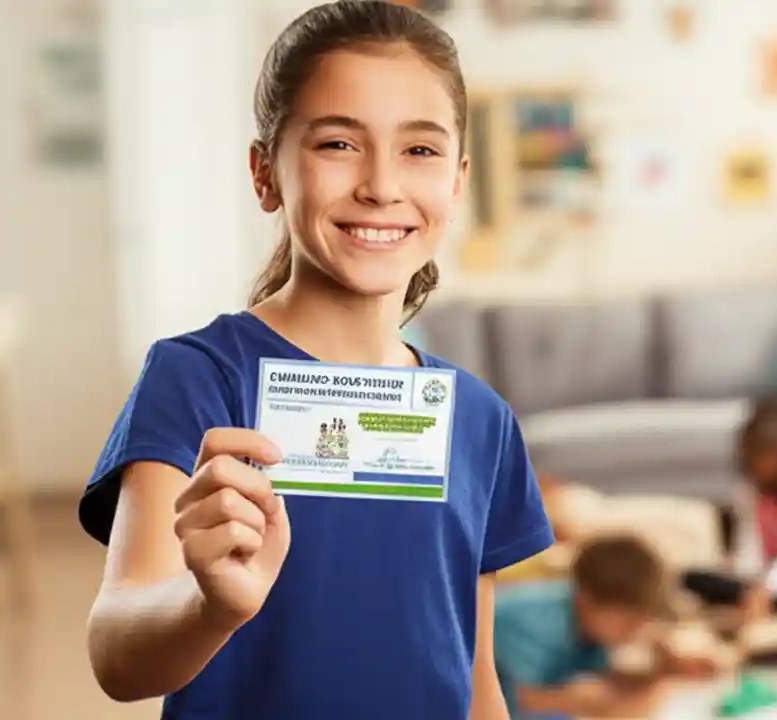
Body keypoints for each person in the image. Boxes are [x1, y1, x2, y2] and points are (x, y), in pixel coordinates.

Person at [79, 3, 554, 718]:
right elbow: (116, 656)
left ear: (457, 181)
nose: (382, 186)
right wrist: (209, 605)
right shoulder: (198, 379)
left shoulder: (481, 421)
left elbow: (476, 683)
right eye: (338, 144)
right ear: (265, 173)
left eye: (419, 150)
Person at [683, 394, 777, 623]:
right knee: (690, 579)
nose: (766, 465)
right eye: (760, 456)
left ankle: (760, 605)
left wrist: (768, 588)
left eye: (774, 457)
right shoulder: (747, 493)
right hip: (753, 580)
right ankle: (753, 605)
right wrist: (750, 583)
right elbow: (747, 549)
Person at [493, 536, 670, 719]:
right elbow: (520, 700)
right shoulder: (536, 624)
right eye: (628, 620)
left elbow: (599, 673)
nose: (637, 628)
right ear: (586, 601)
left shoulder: (591, 629)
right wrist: (569, 699)